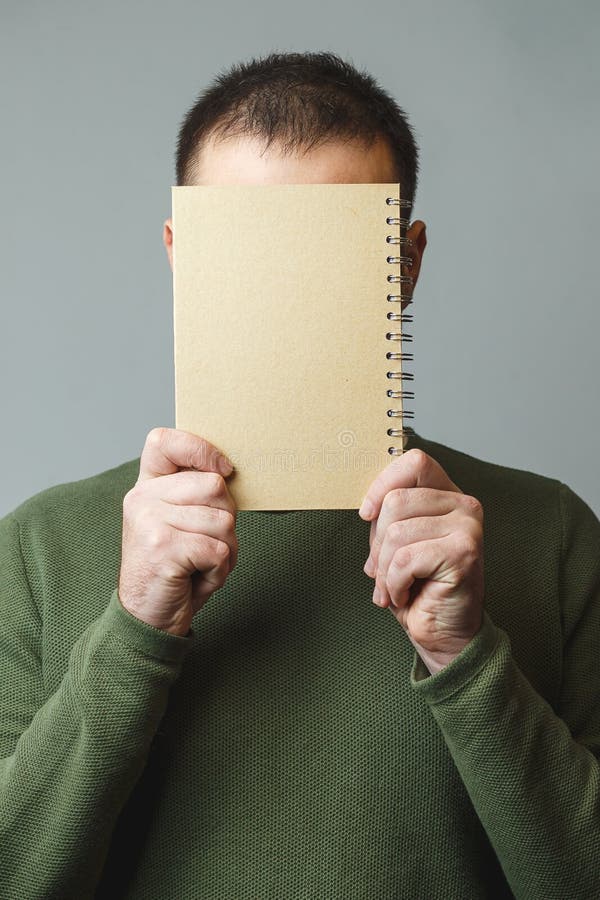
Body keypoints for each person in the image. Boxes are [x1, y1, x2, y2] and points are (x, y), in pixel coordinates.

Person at [1, 50, 598, 900]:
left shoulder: (552, 534)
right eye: (246, 252)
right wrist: (134, 630)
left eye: (334, 250)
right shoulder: (39, 547)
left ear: (408, 263)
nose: (286, 294)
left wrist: (465, 655)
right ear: (180, 256)